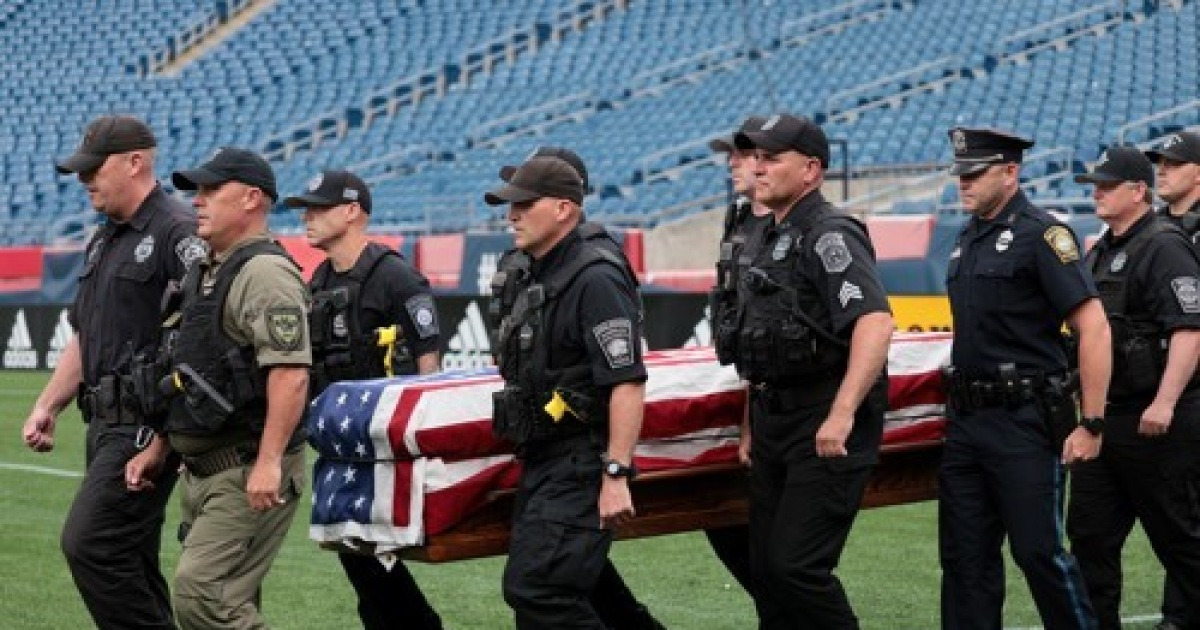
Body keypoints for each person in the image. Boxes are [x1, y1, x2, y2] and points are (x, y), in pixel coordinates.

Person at [20, 114, 200, 630]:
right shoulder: (103, 239)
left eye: (93, 168)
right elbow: (84, 333)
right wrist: (48, 404)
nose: (84, 180)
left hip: (145, 423)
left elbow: (199, 337)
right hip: (102, 423)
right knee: (130, 557)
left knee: (90, 544)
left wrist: (167, 436)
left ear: (135, 162)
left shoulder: (176, 232)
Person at [938, 126, 1110, 630]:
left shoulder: (1044, 234)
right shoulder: (967, 237)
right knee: (964, 561)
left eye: (975, 173)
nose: (963, 183)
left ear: (1010, 173)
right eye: (960, 174)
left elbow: (1093, 326)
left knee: (1040, 555)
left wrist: (1092, 423)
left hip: (1024, 421)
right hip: (967, 423)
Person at [730, 113, 895, 629]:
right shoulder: (765, 235)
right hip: (776, 420)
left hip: (823, 419)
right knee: (767, 573)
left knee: (796, 568)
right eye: (754, 157)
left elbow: (874, 322)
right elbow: (758, 340)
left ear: (811, 170)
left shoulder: (830, 234)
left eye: (772, 158)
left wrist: (842, 413)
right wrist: (751, 423)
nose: (758, 167)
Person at [484, 154, 646, 629]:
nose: (510, 215)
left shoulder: (594, 277)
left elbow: (627, 380)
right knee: (579, 590)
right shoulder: (536, 269)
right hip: (542, 454)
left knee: (539, 589)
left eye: (523, 204)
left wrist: (616, 473)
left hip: (581, 459)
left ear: (562, 209)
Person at [285, 169, 443, 630]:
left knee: (378, 563)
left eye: (319, 208)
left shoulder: (394, 276)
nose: (307, 218)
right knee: (359, 565)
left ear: (352, 211)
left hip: (387, 450)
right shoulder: (317, 281)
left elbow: (428, 363)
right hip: (340, 447)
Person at [165, 147, 310, 629]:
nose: (197, 201)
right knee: (227, 599)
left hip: (246, 465)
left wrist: (269, 461)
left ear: (251, 199)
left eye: (210, 189)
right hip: (206, 469)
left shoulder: (264, 273)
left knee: (203, 595)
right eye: (196, 191)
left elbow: (289, 373)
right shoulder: (209, 269)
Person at [1066, 147, 1200, 630]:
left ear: (1137, 191)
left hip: (1157, 418)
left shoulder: (1164, 244)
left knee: (1180, 538)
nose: (1096, 193)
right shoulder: (1103, 247)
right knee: (1089, 537)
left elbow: (1189, 328)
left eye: (1106, 185)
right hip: (1108, 418)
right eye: (1094, 186)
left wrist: (1164, 402)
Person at [705, 115, 768, 595]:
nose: (733, 163)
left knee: (789, 567)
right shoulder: (739, 223)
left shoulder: (813, 230)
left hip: (793, 407)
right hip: (750, 391)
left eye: (743, 154)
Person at [1144, 129, 1200, 630]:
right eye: (1159, 164)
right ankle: (1178, 611)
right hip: (1163, 386)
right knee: (1175, 509)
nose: (1162, 170)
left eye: (1173, 163)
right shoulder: (1153, 227)